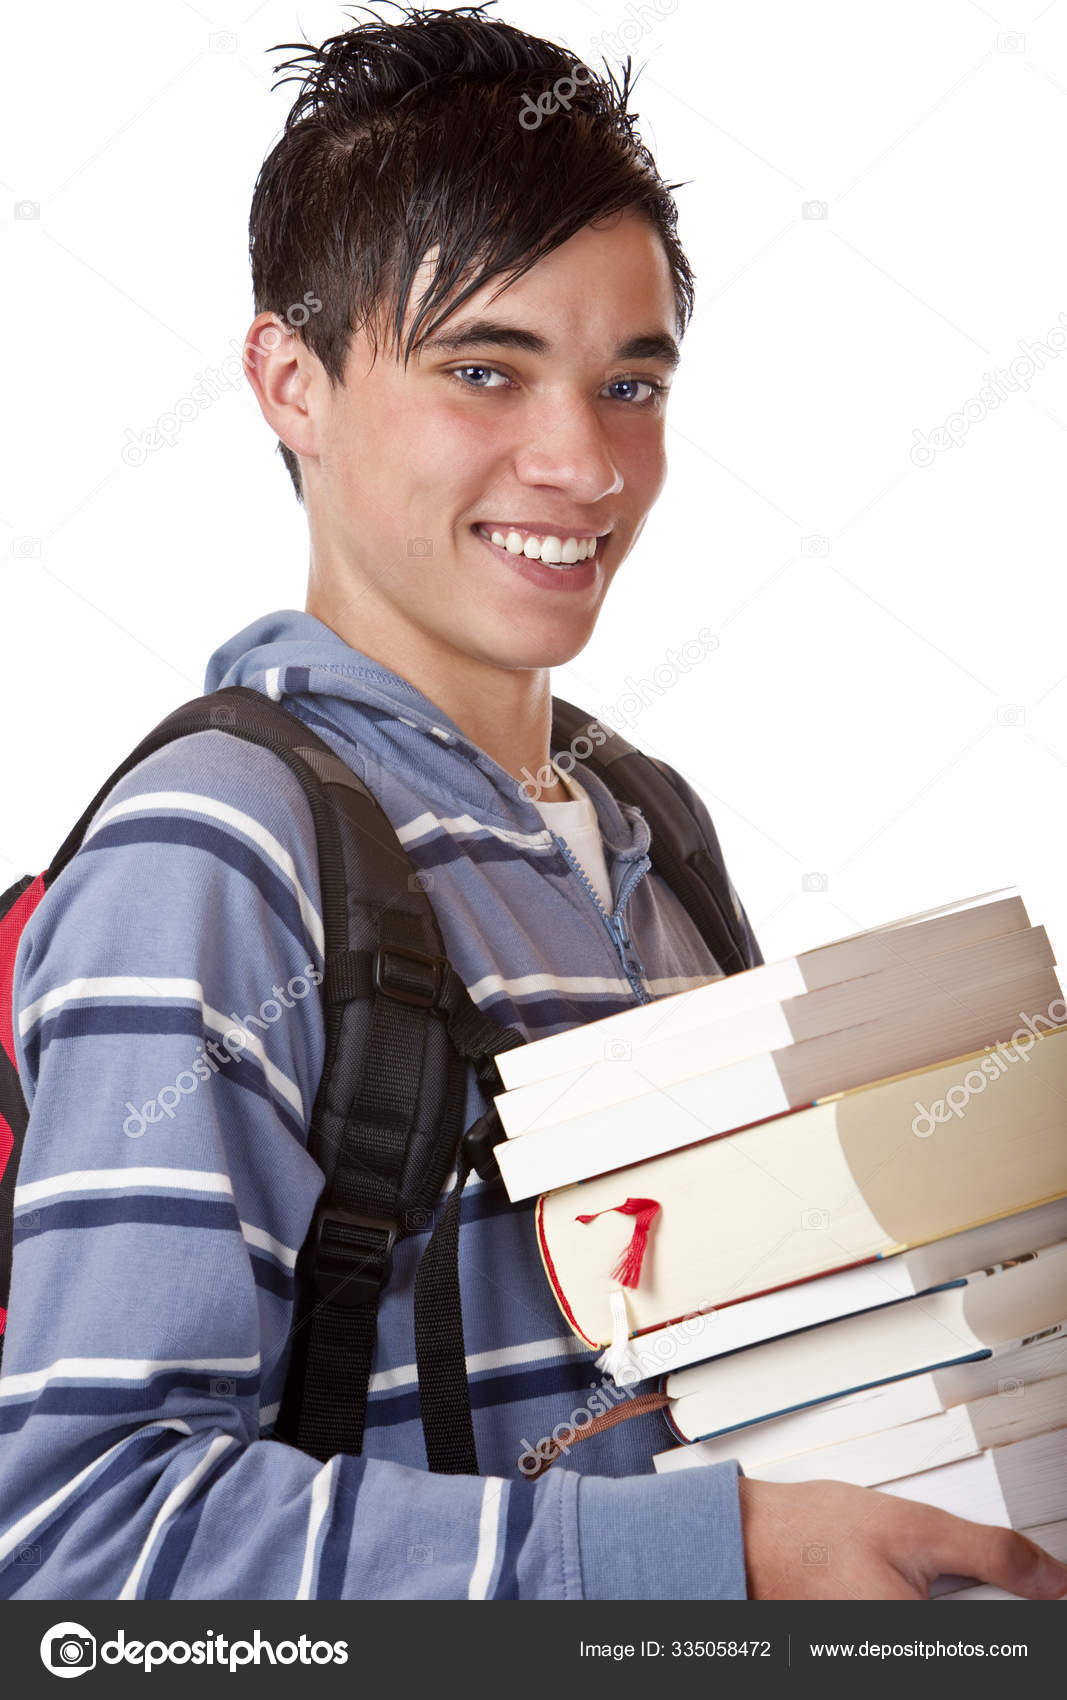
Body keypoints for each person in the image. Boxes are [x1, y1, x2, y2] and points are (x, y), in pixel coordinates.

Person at [2, 3, 1065, 1603]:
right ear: (290, 377)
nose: (582, 464)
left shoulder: (648, 828)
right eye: (486, 371)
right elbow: (83, 1541)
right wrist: (726, 1560)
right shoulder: (218, 851)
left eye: (629, 383)